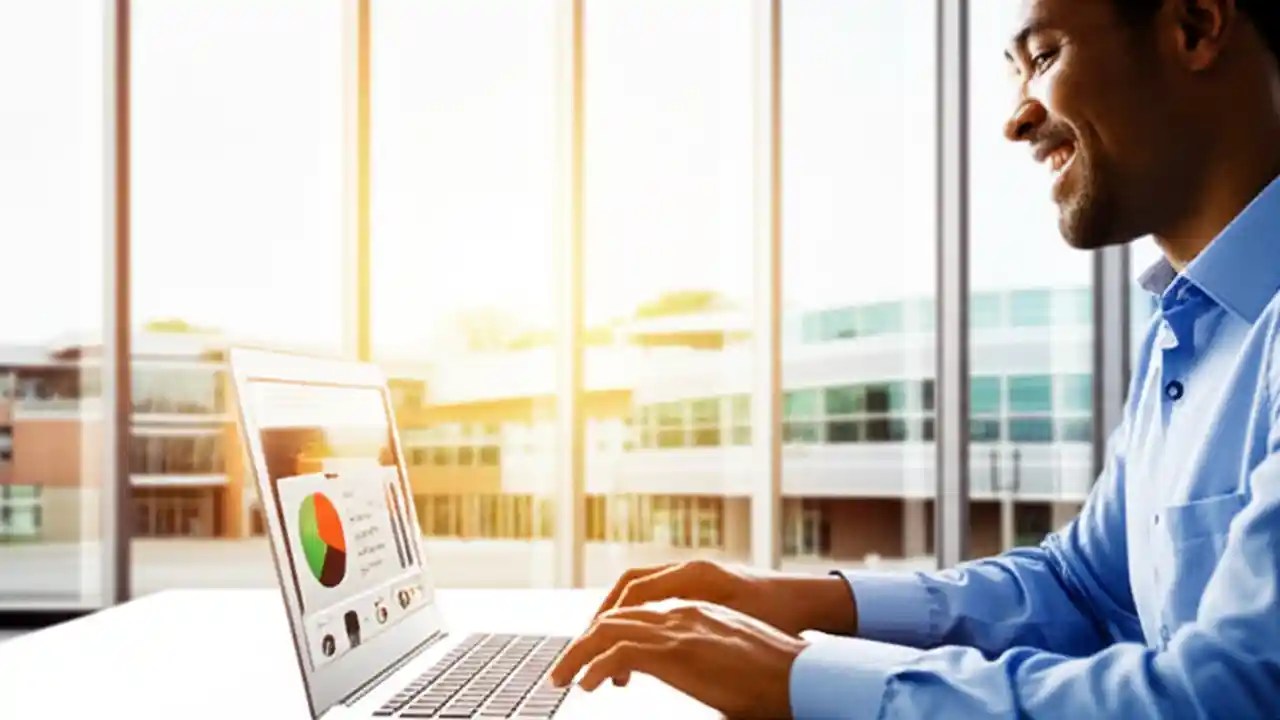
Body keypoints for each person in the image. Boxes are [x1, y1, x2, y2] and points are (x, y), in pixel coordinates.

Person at [549, 0, 1280, 717]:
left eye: (1046, 56)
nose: (1017, 117)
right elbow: (1086, 587)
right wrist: (805, 600)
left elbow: (1228, 695)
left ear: (1194, 26)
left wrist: (796, 677)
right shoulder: (1191, 327)